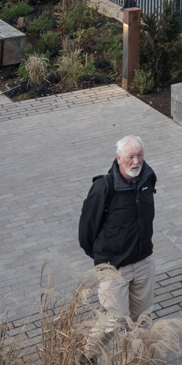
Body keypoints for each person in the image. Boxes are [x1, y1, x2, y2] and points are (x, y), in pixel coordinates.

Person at [78, 135, 158, 323]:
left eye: (140, 155)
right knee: (113, 321)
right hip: (114, 268)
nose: (136, 161)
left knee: (143, 319)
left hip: (143, 262)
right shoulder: (104, 187)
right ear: (119, 158)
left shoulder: (147, 179)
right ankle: (91, 345)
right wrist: (104, 258)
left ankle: (138, 345)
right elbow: (86, 231)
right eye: (131, 157)